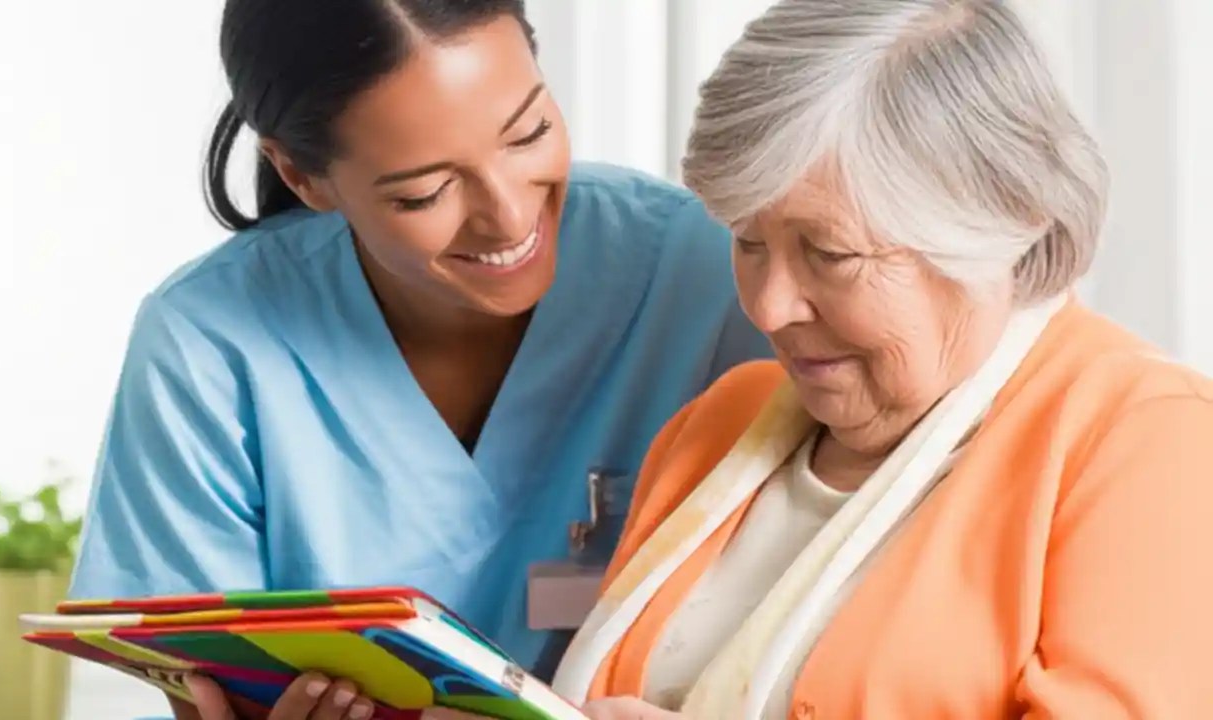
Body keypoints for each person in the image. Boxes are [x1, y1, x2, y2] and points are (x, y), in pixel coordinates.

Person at [65, 1, 771, 718]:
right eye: (425, 192)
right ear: (303, 176)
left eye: (529, 133)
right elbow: (201, 684)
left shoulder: (708, 271)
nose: (510, 216)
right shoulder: (210, 343)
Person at [541, 0, 1213, 718]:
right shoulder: (720, 422)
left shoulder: (1149, 440)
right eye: (749, 241)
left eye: (830, 254)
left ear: (1000, 223)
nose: (768, 307)